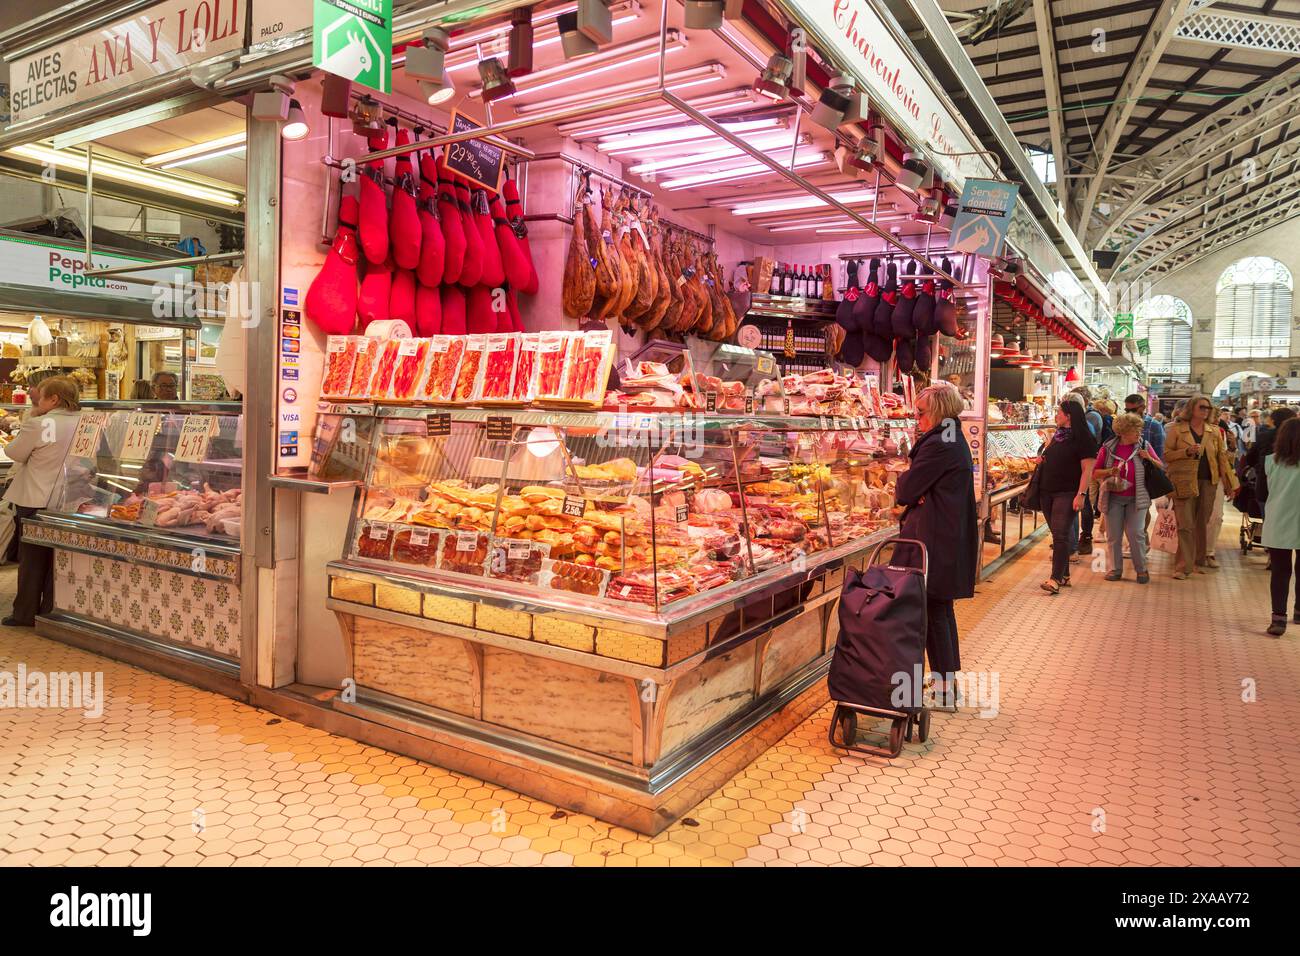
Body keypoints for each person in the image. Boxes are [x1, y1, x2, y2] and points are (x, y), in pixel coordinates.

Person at [894, 382, 978, 706]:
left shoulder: (940, 442)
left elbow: (906, 491)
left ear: (938, 411)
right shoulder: (949, 435)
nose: (917, 418)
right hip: (945, 535)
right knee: (940, 610)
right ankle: (947, 685)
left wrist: (902, 479)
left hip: (936, 540)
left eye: (921, 412)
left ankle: (944, 689)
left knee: (933, 610)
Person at [2, 377, 81, 627]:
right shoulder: (85, 421)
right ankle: (50, 611)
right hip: (71, 499)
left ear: (54, 399)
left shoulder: (39, 423)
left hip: (35, 498)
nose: (37, 400)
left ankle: (25, 613)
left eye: (42, 396)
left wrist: (32, 417)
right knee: (58, 559)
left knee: (32, 559)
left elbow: (13, 452)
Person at [1165, 393, 1239, 578]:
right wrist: (1186, 451)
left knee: (1201, 523)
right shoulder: (1176, 429)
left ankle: (1198, 560)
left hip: (1209, 482)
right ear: (1191, 409)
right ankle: (1182, 566)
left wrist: (1230, 483)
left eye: (1208, 408)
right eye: (1202, 407)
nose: (1206, 411)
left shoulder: (1213, 431)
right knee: (1185, 524)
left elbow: (1221, 458)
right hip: (1183, 481)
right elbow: (1167, 455)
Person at [1094, 413, 1164, 584]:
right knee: (1114, 536)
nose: (1139, 433)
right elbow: (1095, 473)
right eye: (1136, 430)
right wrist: (1110, 472)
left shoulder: (1144, 446)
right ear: (1124, 432)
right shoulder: (1108, 448)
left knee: (1136, 533)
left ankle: (1142, 570)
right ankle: (1115, 569)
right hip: (1113, 498)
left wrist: (1148, 457)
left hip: (1137, 498)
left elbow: (1161, 465)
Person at [1037, 399, 1098, 594]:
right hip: (1047, 490)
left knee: (1060, 534)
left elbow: (1087, 470)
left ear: (1069, 415)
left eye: (1059, 412)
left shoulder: (1084, 439)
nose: (1056, 415)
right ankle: (1064, 575)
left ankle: (1054, 579)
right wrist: (1042, 459)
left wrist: (1081, 495)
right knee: (1057, 533)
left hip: (1067, 491)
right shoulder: (1058, 435)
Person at [1263, 418, 1300, 636]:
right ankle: (1299, 611)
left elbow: (1261, 494)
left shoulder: (1269, 462)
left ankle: (1278, 619)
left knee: (1280, 571)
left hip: (1278, 521)